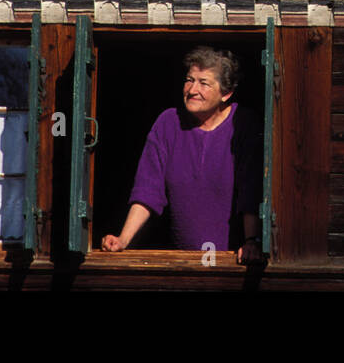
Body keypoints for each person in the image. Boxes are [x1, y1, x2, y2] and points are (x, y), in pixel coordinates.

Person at [100, 47, 264, 264]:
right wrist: (123, 239)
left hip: (232, 261)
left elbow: (250, 190)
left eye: (204, 83)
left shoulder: (243, 124)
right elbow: (148, 190)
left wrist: (251, 241)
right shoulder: (168, 123)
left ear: (226, 93)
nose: (192, 89)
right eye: (189, 80)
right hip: (183, 261)